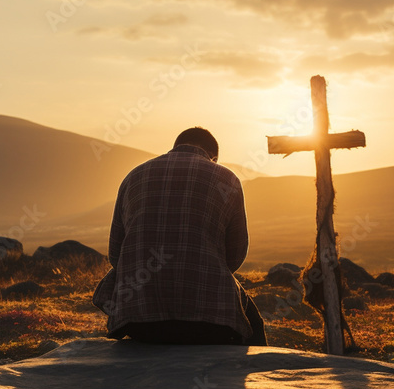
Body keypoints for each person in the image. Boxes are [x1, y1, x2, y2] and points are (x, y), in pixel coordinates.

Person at [92, 127, 266, 346]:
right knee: (254, 326)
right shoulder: (227, 179)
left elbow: (116, 255)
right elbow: (235, 255)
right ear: (213, 157)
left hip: (138, 320)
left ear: (175, 146)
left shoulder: (133, 177)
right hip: (210, 323)